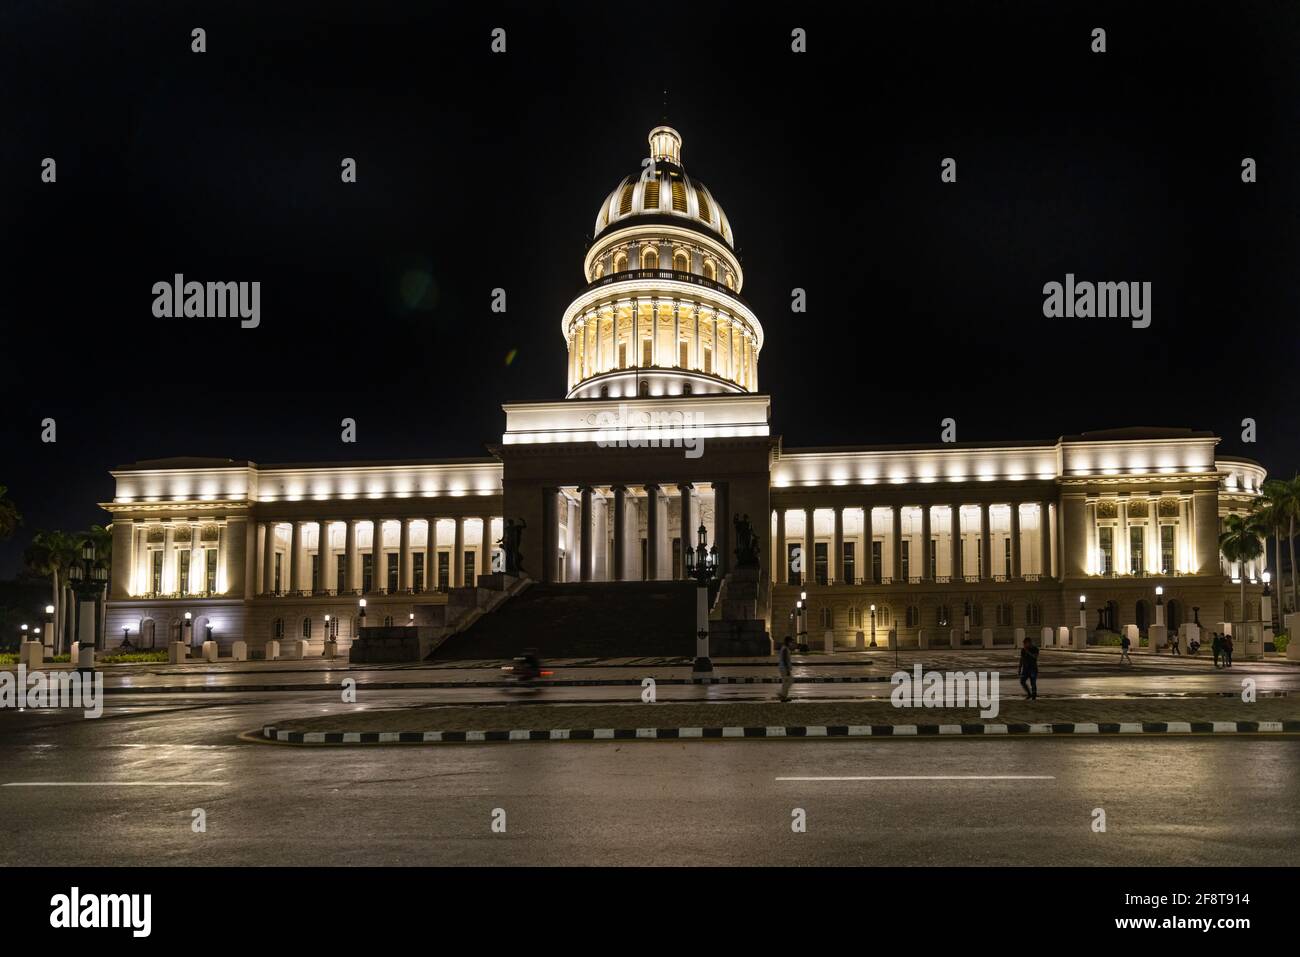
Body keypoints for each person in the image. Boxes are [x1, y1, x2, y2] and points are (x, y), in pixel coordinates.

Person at [1018, 636, 1039, 700]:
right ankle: (1029, 693)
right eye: (1024, 644)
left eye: (1025, 643)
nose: (1024, 645)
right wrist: (1019, 668)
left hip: (1033, 668)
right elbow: (1021, 659)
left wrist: (1028, 652)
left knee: (1033, 683)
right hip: (1025, 669)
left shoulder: (1035, 649)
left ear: (1029, 643)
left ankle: (1034, 696)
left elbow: (1035, 657)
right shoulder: (1023, 650)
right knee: (1022, 681)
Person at [777, 636, 794, 702]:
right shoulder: (785, 649)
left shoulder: (785, 648)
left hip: (783, 667)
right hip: (784, 668)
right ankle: (782, 695)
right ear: (788, 642)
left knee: (786, 682)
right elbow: (784, 660)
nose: (792, 643)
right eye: (791, 642)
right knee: (790, 680)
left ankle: (783, 697)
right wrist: (787, 670)